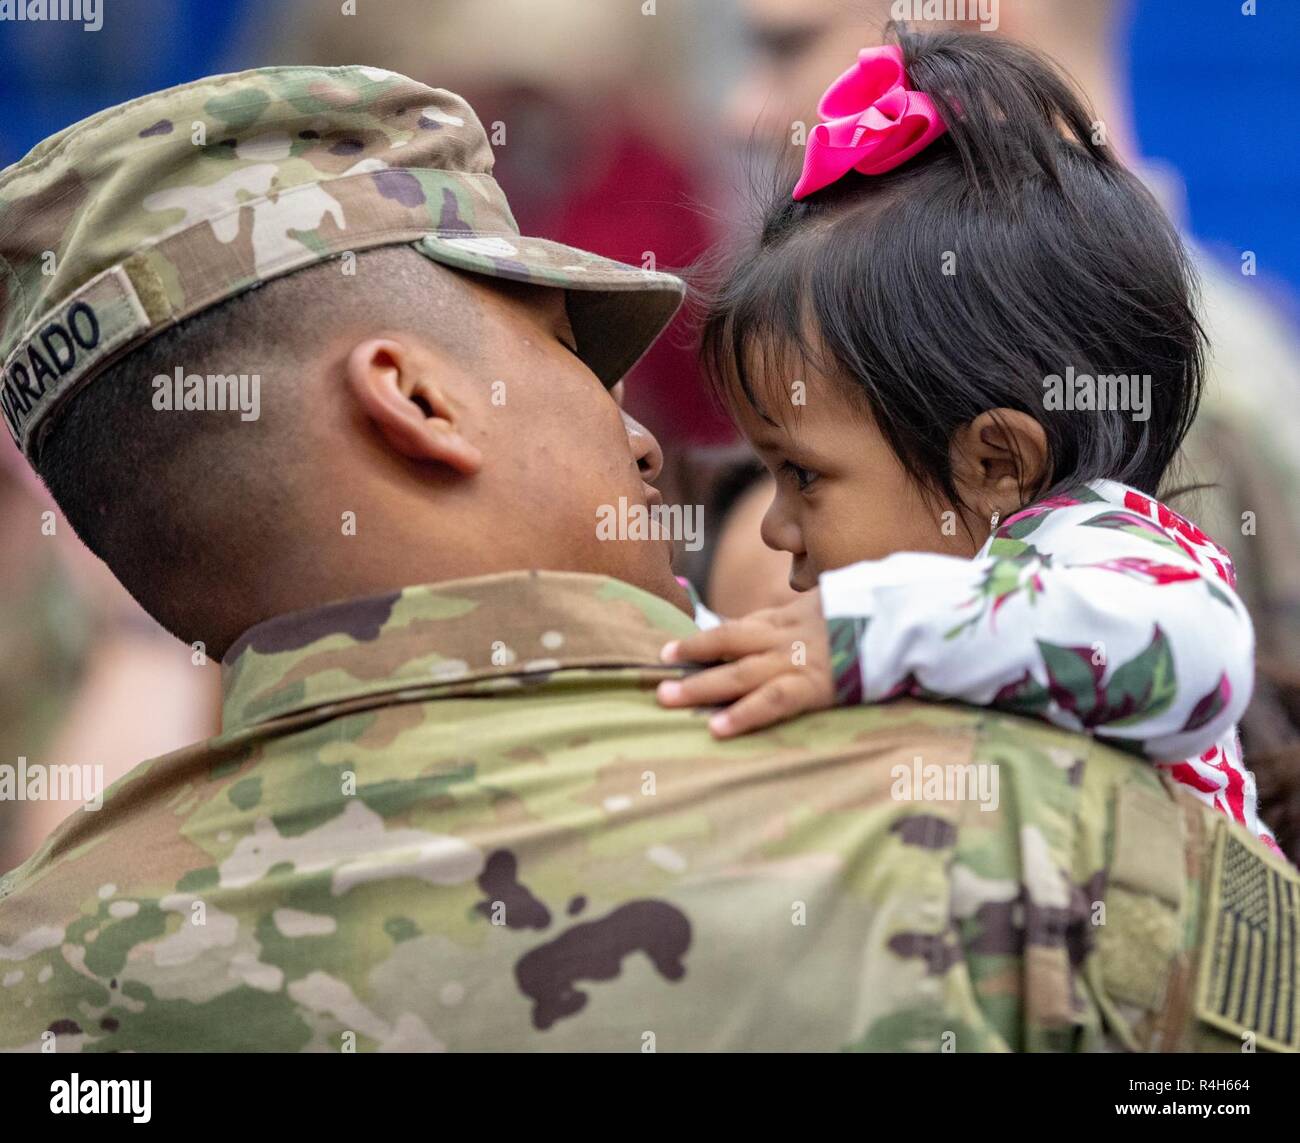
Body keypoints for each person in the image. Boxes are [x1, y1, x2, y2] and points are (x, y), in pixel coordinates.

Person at [0, 66, 1294, 1053]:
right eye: (568, 348)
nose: (638, 432)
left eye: (802, 472)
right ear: (417, 398)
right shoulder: (1041, 828)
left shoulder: (39, 968)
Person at [657, 29, 1274, 854]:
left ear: (996, 466)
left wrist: (875, 634)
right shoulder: (966, 627)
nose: (775, 526)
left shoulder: (1094, 550)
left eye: (803, 474)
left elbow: (1202, 648)